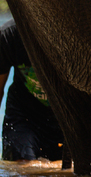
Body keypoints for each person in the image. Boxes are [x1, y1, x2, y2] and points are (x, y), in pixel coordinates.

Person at [0, 19, 66, 164]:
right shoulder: (10, 35)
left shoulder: (70, 35)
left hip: (66, 117)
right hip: (24, 117)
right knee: (22, 168)